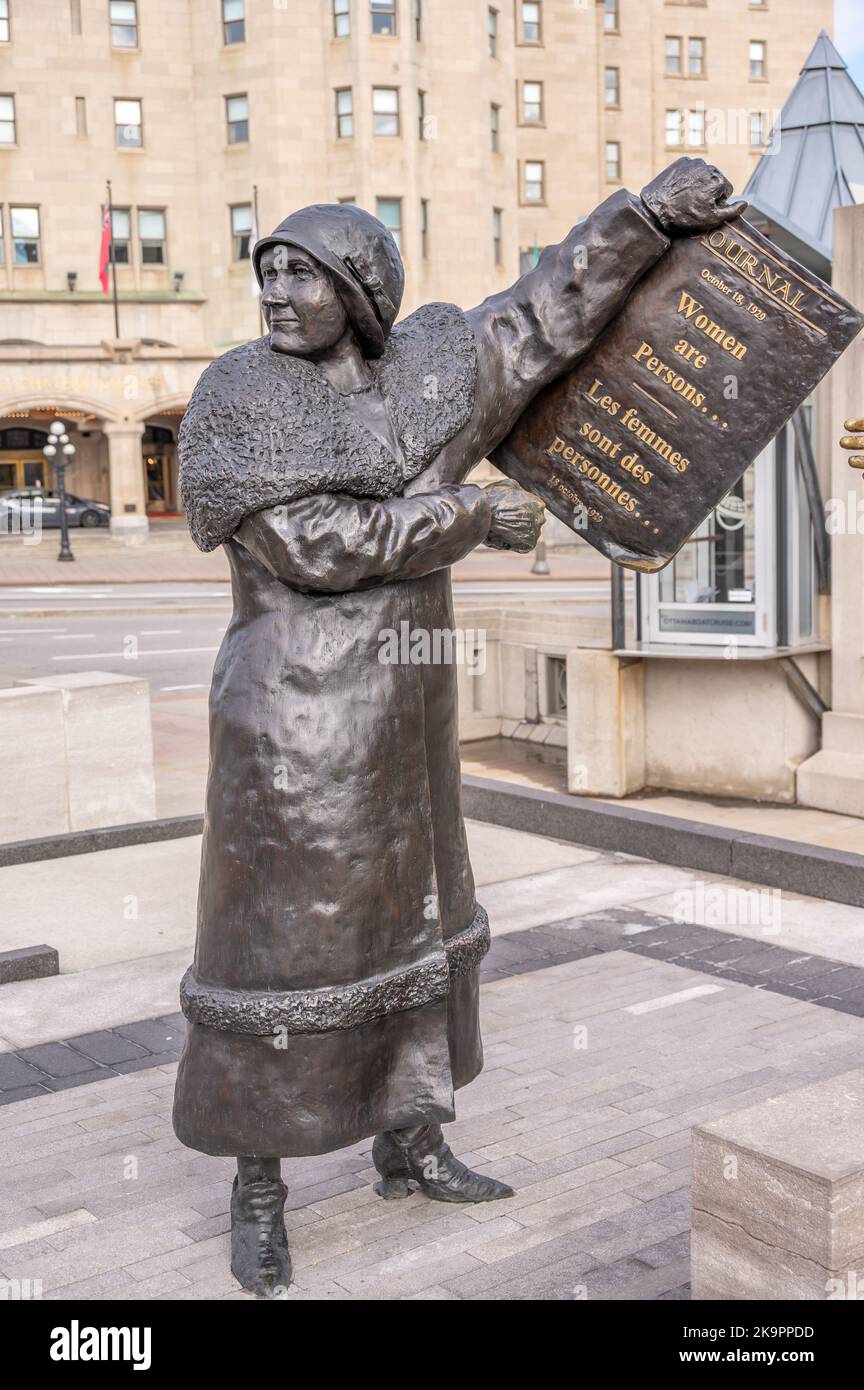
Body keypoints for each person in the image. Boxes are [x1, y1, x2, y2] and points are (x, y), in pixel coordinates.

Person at [174, 156, 740, 1297]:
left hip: (405, 721)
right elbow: (314, 546)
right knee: (279, 952)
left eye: (300, 275)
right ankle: (261, 1185)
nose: (275, 294)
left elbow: (547, 309)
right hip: (290, 727)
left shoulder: (433, 374)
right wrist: (473, 511)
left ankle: (412, 1139)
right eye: (267, 273)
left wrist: (642, 214)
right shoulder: (239, 397)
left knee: (417, 925)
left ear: (360, 289)